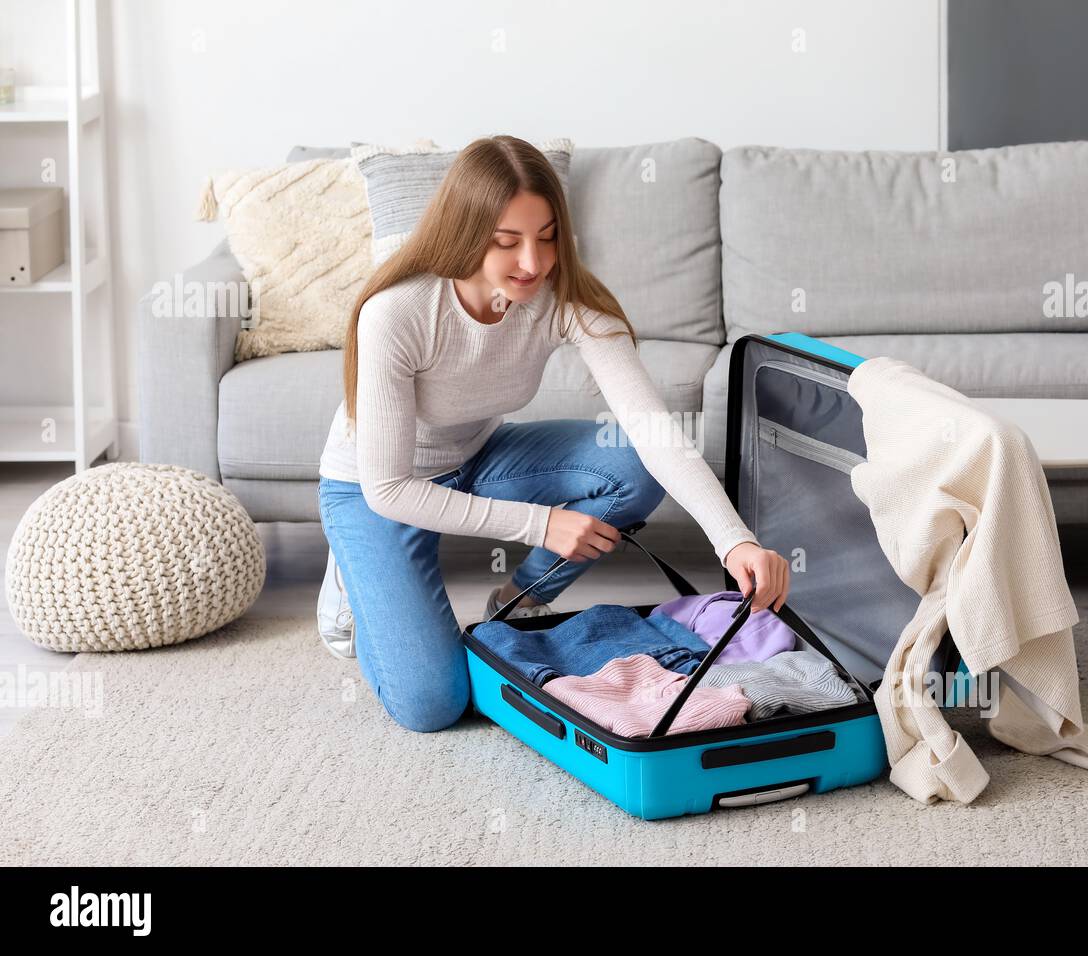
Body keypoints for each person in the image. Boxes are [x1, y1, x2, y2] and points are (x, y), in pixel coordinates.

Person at [317, 135, 789, 732]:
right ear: (464, 233)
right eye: (507, 242)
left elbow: (653, 432)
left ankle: (519, 597)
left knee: (630, 464)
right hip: (374, 489)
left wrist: (734, 541)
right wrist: (542, 524)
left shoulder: (561, 298)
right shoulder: (399, 312)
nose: (533, 263)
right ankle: (350, 572)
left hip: (476, 457)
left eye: (546, 238)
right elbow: (387, 489)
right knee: (433, 705)